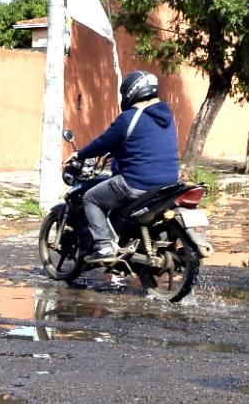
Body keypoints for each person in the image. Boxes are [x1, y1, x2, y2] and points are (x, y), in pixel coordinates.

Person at [74, 69, 180, 261]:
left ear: (131, 92)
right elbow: (143, 144)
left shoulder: (130, 118)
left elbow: (103, 142)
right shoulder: (168, 118)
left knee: (91, 198)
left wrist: (79, 154)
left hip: (137, 183)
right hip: (169, 183)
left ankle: (104, 247)